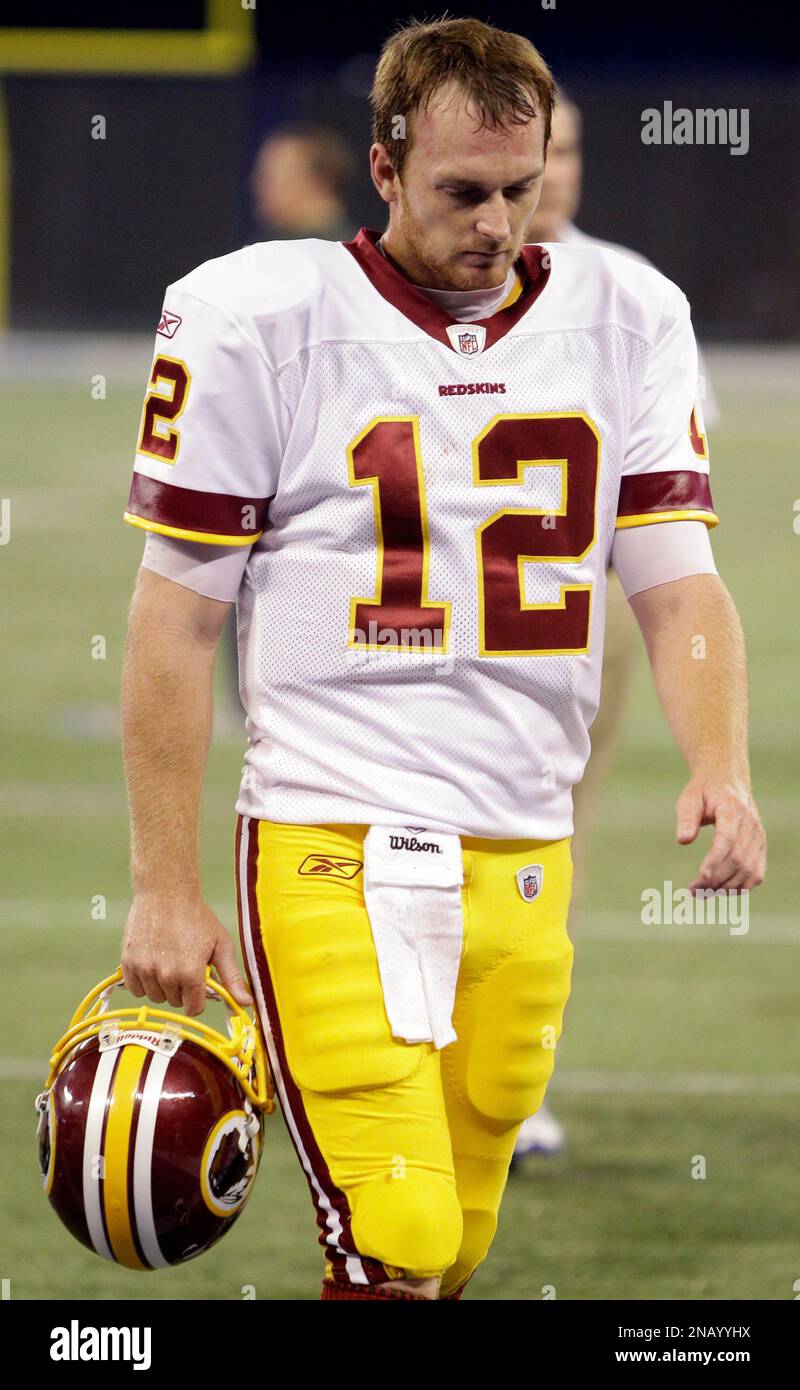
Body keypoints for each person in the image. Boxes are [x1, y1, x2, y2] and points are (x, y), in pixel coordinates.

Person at [120, 17, 766, 1301]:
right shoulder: (256, 314)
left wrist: (722, 761)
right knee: (397, 1244)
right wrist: (162, 885)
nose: (497, 223)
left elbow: (675, 575)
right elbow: (176, 621)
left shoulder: (626, 312)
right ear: (383, 166)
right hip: (327, 837)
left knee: (455, 1248)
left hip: (522, 848)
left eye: (520, 190)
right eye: (461, 192)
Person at [512, 90, 720, 1162]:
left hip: (573, 616)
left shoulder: (632, 293)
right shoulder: (400, 288)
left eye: (570, 149)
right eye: (541, 149)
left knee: (550, 845)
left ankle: (515, 1081)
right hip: (418, 626)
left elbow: (669, 532)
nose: (556, 171)